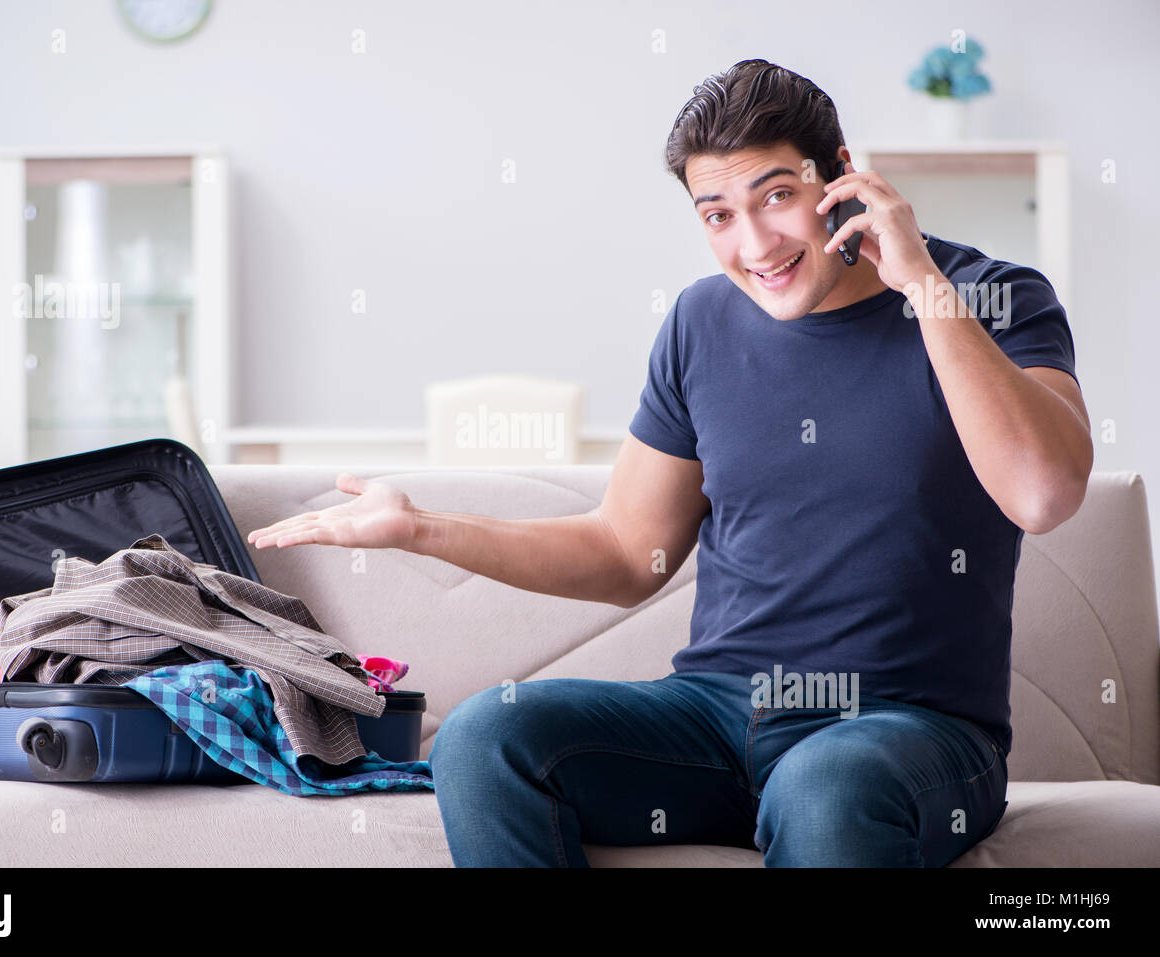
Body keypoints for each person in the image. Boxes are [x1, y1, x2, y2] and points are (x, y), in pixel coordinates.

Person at [247, 59, 1092, 867]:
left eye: (778, 197)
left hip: (908, 731)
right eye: (718, 214)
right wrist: (420, 527)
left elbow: (1043, 492)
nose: (755, 243)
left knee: (826, 786)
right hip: (719, 718)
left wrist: (921, 283)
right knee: (485, 735)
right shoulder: (701, 323)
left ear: (841, 176)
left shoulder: (992, 295)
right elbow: (625, 552)